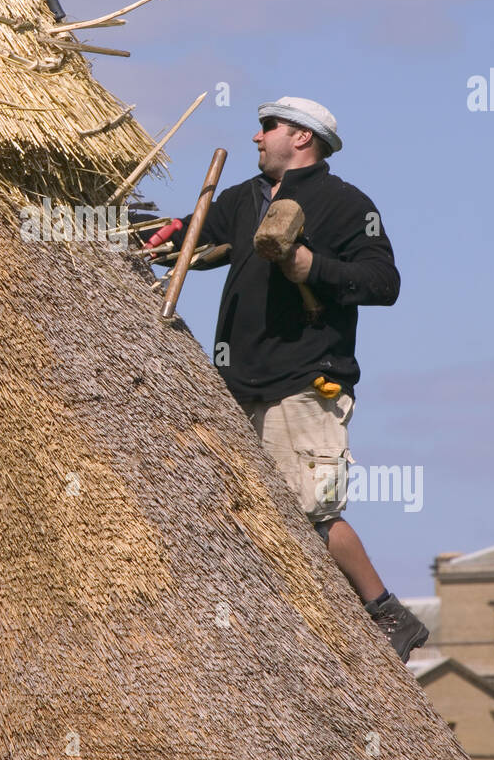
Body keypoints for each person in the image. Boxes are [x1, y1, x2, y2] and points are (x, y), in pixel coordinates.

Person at [146, 96, 428, 663]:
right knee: (244, 510)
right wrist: (166, 233)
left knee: (309, 512)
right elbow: (195, 240)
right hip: (235, 382)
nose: (256, 136)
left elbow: (384, 282)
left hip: (306, 383)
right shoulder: (242, 198)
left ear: (302, 137)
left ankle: (387, 612)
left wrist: (310, 268)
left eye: (267, 126)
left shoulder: (346, 205)